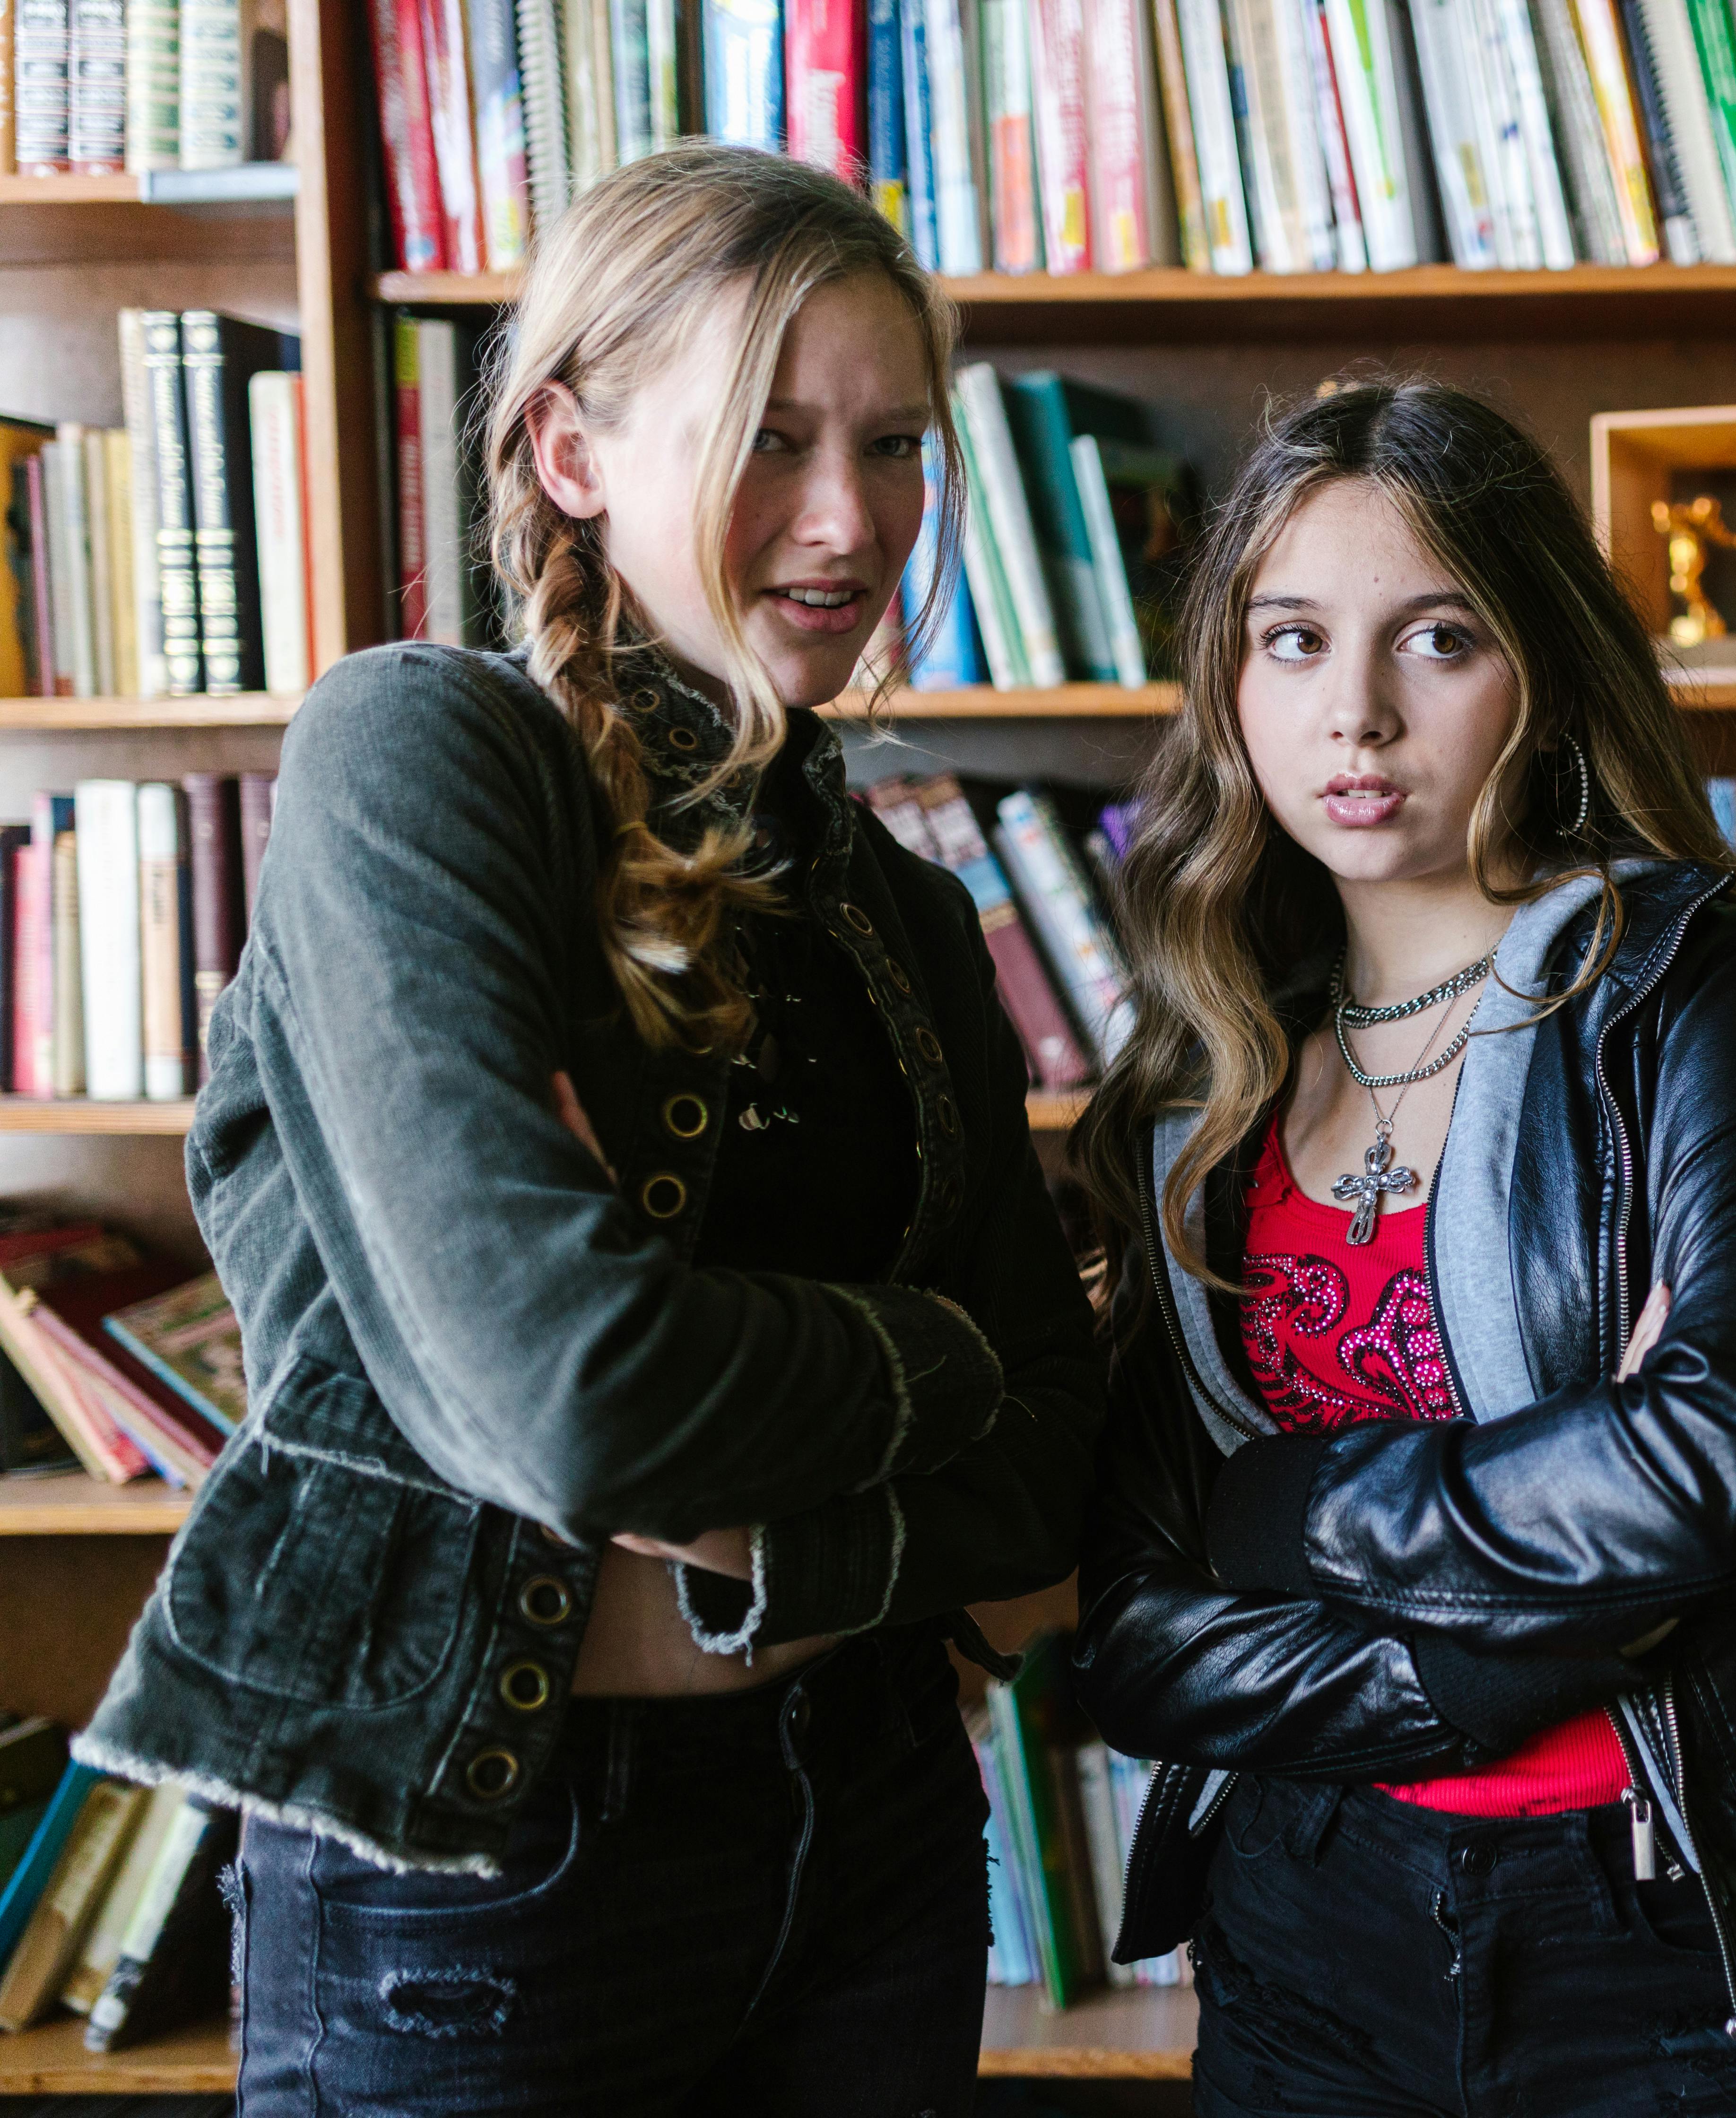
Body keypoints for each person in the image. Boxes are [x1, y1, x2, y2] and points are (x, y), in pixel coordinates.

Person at [78, 144, 1100, 2116]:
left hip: (874, 1827)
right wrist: (936, 1358)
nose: (848, 516)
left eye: (894, 446)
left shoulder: (902, 905)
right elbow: (580, 1396)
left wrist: (758, 1433)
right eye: (771, 434)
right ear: (568, 451)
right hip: (493, 1875)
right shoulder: (420, 757)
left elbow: (1046, 1460)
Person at [1071, 379, 1736, 2118]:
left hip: (1669, 1916)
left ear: (1539, 669)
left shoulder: (1694, 989)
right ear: (1230, 683)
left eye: (1438, 639)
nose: (1358, 714)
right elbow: (1134, 1632)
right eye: (1294, 640)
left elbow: (1715, 1476)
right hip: (1303, 1913)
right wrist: (1513, 1629)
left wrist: (1288, 1511)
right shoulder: (1200, 1061)